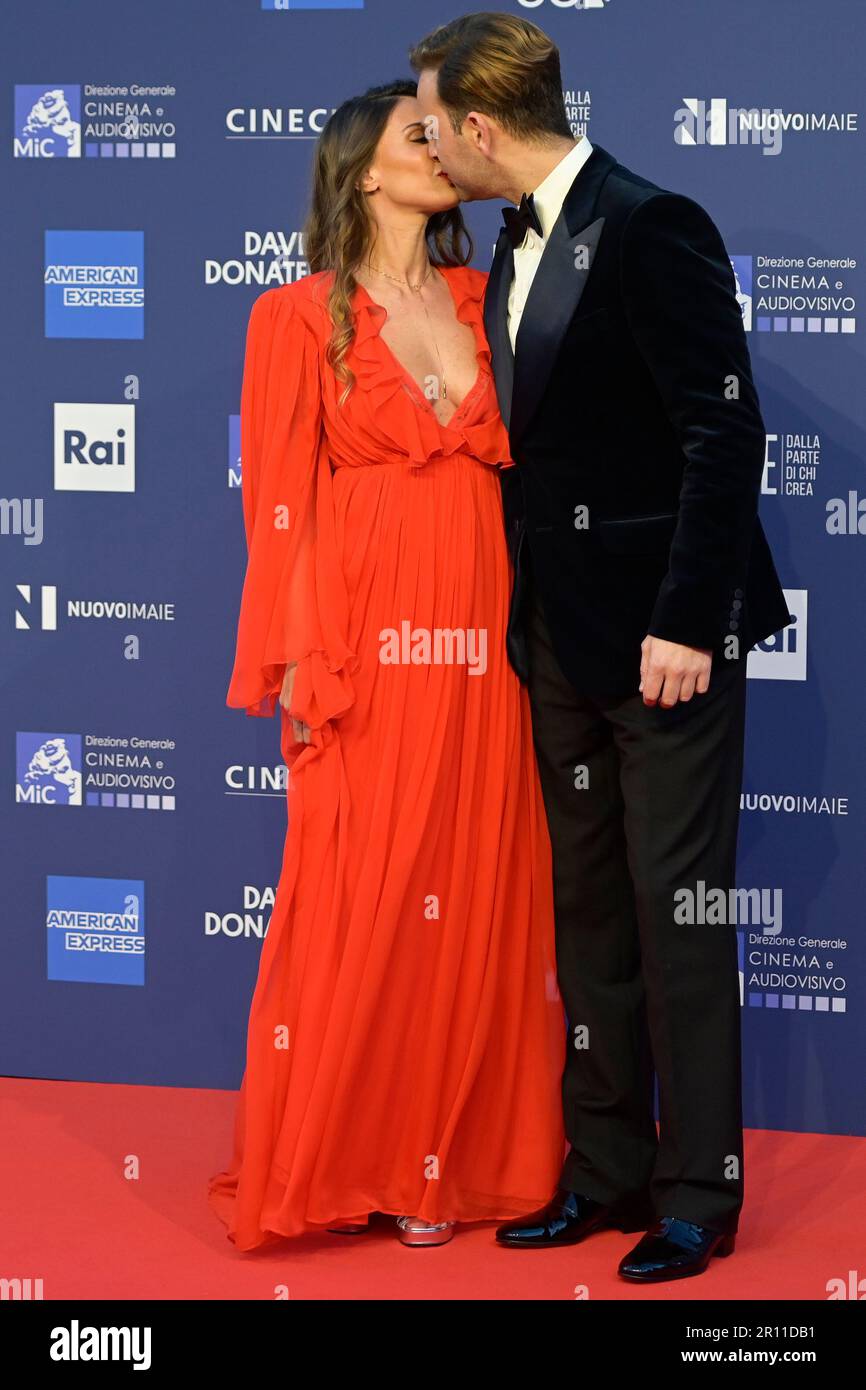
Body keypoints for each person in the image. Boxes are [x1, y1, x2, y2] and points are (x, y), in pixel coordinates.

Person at [411, 13, 792, 1281]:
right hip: (558, 647)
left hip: (663, 644)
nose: (422, 142)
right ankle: (607, 1171)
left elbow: (720, 435)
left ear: (477, 123)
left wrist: (685, 618)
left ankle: (699, 1194)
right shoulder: (515, 239)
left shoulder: (648, 222)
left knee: (678, 917)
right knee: (590, 924)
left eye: (430, 121)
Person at [208, 79, 566, 1251]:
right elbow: (279, 509)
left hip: (484, 643)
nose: (445, 147)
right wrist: (302, 660)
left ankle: (444, 1163)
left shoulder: (487, 296)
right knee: (365, 894)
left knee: (469, 894)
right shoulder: (294, 317)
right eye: (421, 133)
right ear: (361, 168)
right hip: (366, 640)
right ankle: (344, 1155)